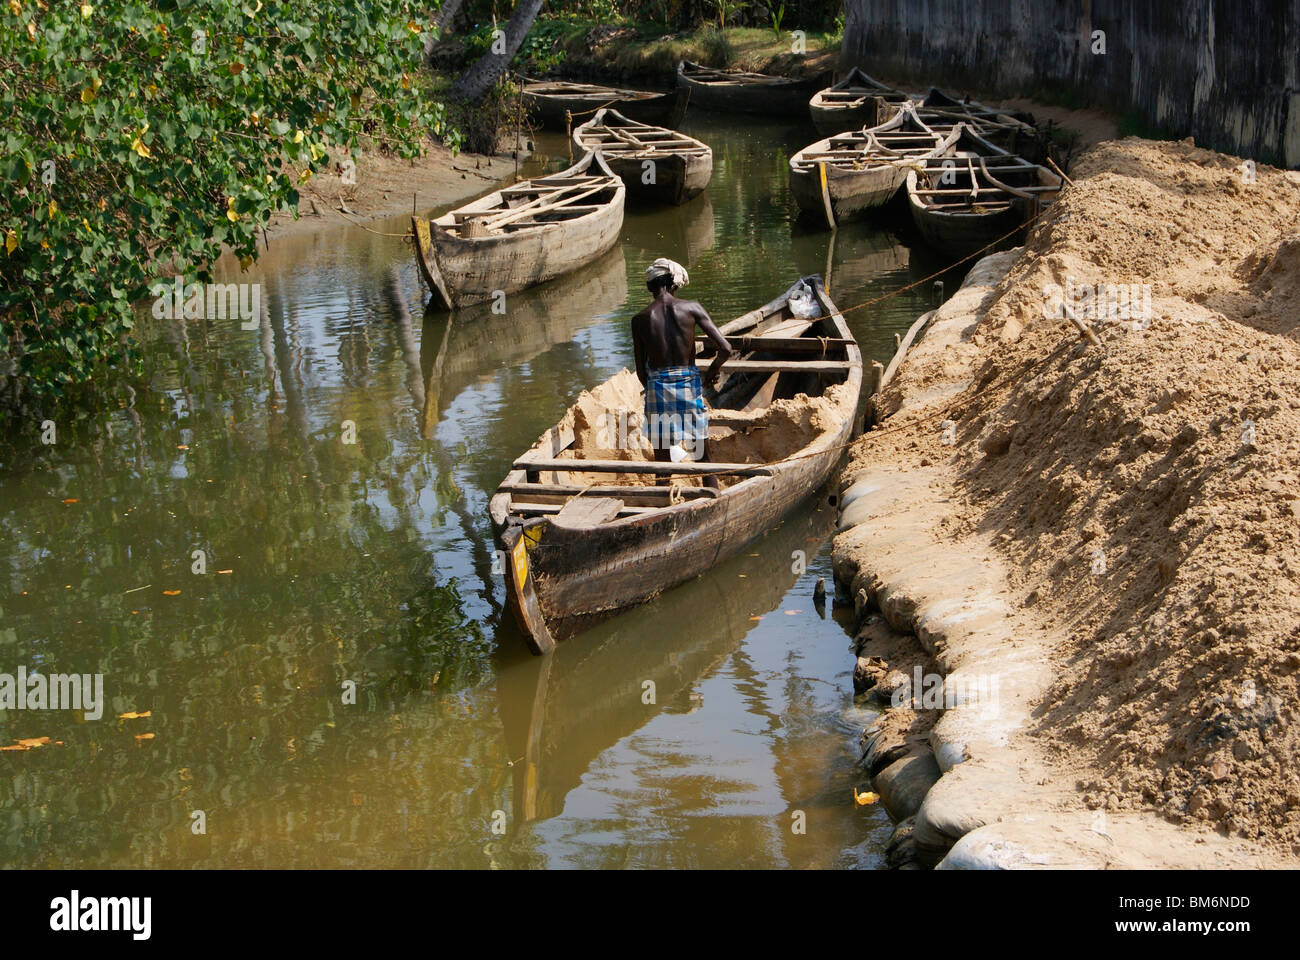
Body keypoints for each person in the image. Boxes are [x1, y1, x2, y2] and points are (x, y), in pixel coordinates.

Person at [631, 258, 732, 488]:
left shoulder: (640, 319)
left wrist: (654, 390)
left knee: (662, 465)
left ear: (649, 287)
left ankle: (662, 505)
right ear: (674, 284)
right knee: (704, 459)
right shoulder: (692, 308)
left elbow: (640, 369)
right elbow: (725, 348)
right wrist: (713, 371)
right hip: (688, 384)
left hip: (657, 387)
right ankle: (713, 497)